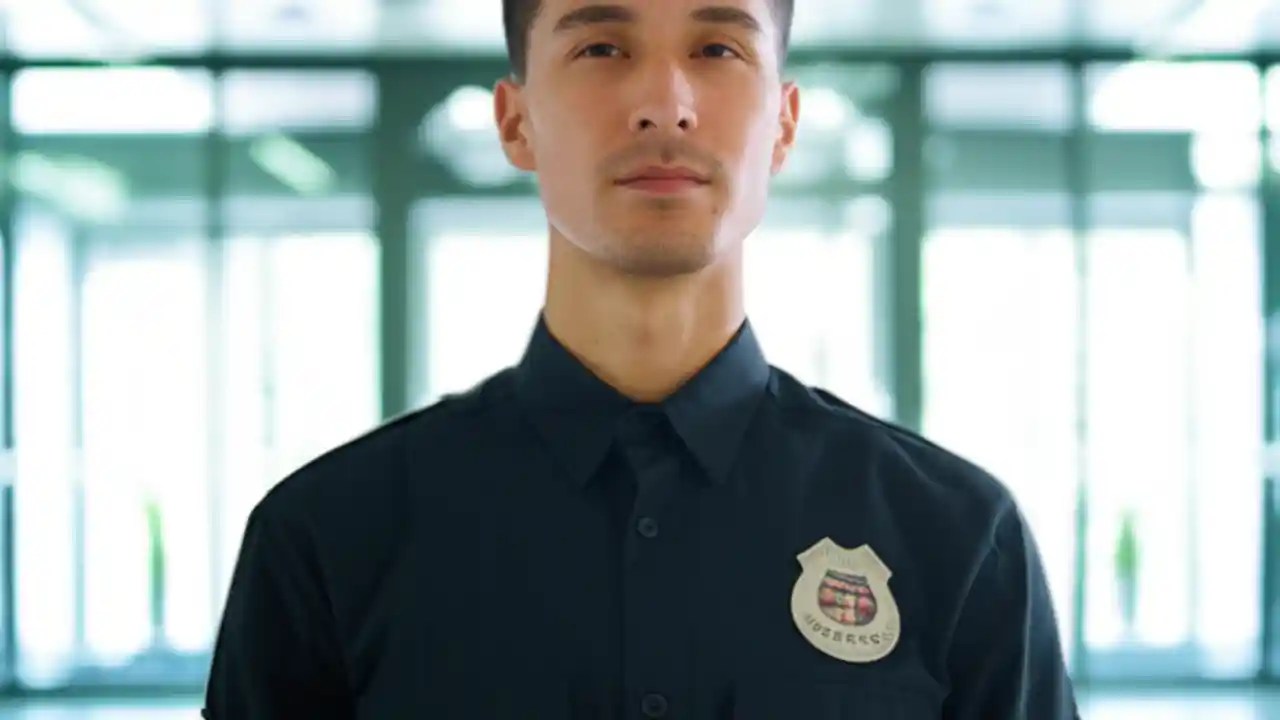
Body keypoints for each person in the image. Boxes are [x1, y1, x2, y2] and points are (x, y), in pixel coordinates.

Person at [202, 0, 1081, 718]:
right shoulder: (326, 540)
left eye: (716, 48)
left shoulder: (957, 539)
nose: (665, 101)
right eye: (601, 47)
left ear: (784, 122)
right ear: (515, 122)